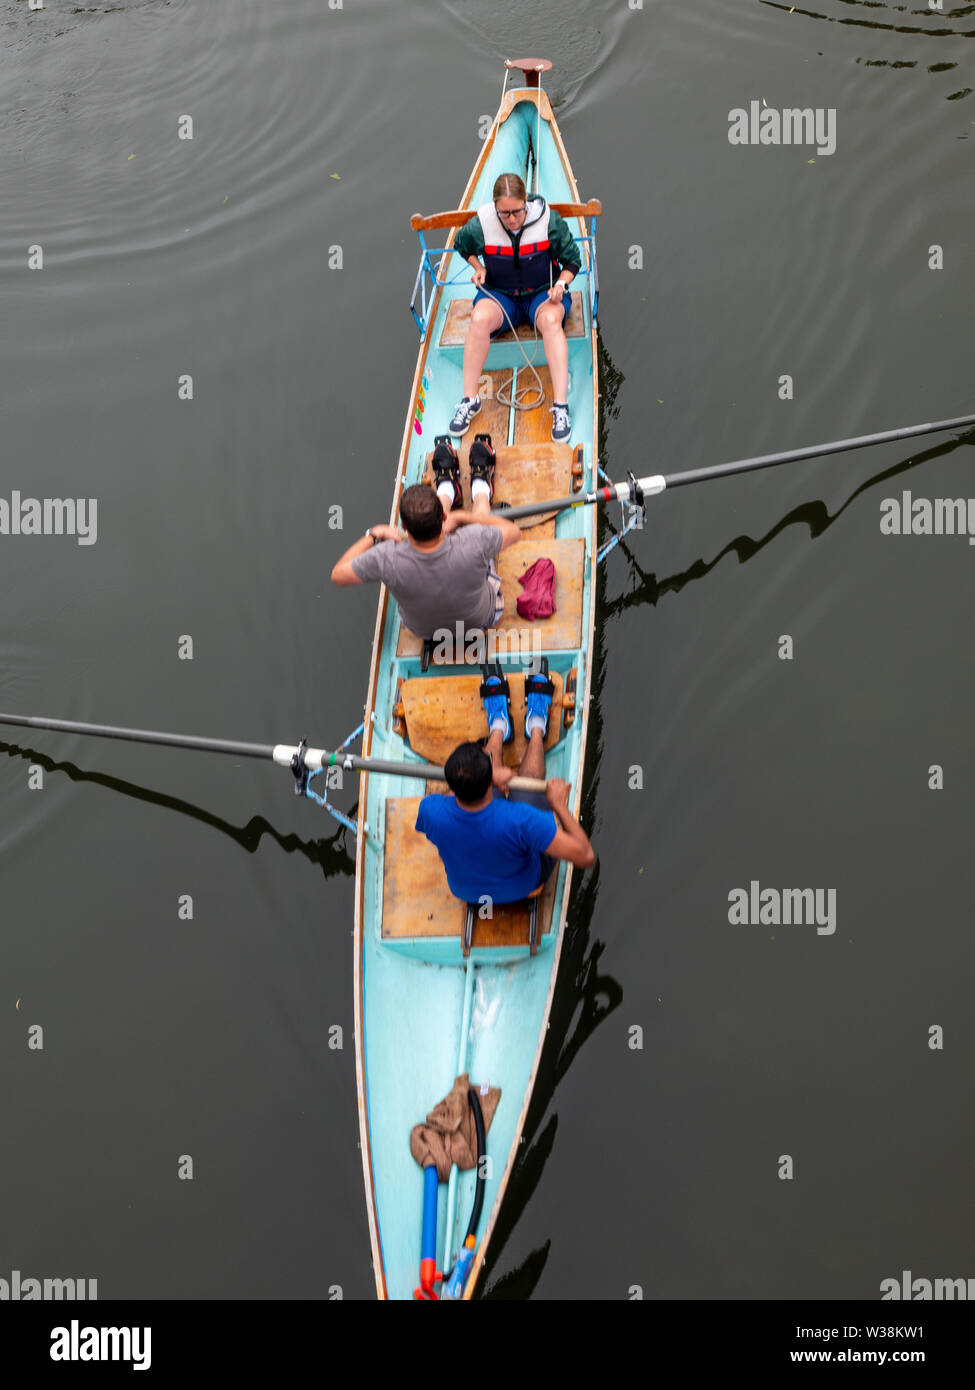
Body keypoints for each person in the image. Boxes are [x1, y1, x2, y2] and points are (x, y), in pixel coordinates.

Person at [415, 665, 595, 906]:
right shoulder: (523, 820)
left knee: (491, 784)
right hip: (525, 884)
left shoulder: (430, 809)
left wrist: (488, 777)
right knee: (527, 785)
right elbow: (586, 855)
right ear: (490, 780)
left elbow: (453, 798)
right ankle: (537, 727)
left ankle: (499, 728)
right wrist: (558, 804)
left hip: (466, 892)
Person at [330, 446, 521, 642]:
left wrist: (373, 535)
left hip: (427, 633)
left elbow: (337, 575)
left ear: (404, 526)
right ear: (444, 517)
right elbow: (513, 532)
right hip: (480, 621)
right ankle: (480, 487)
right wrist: (463, 517)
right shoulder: (473, 540)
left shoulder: (386, 557)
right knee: (480, 517)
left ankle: (447, 490)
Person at [448, 173, 582, 444]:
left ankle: (560, 407)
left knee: (551, 322)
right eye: (504, 213)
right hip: (502, 295)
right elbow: (460, 244)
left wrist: (562, 286)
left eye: (517, 212)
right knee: (478, 319)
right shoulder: (481, 225)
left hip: (541, 294)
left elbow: (572, 261)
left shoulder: (549, 221)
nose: (511, 219)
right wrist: (478, 267)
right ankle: (470, 399)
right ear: (496, 208)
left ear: (526, 204)